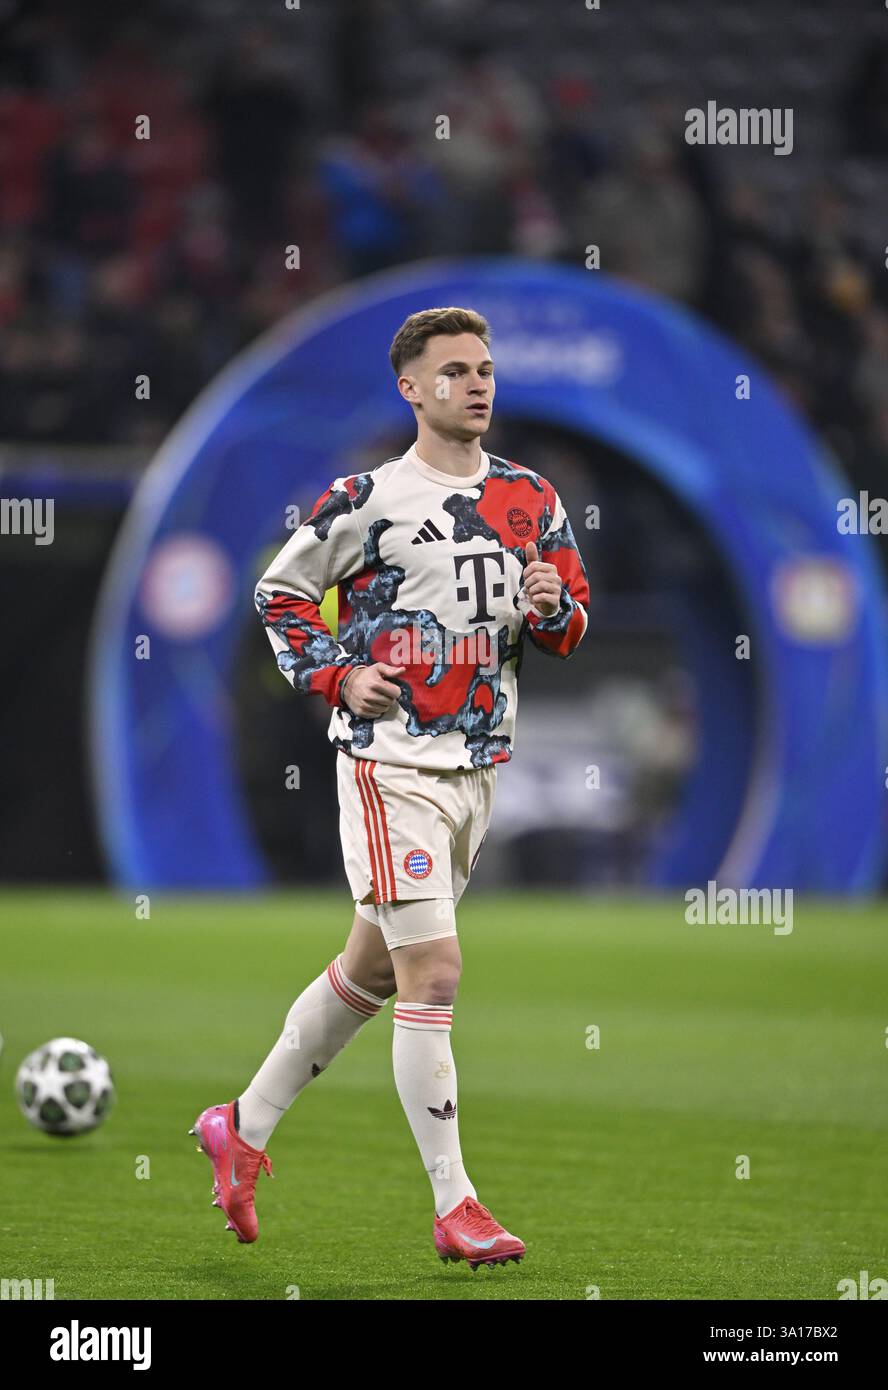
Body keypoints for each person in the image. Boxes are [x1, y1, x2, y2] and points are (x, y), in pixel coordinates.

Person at [190, 306, 590, 1270]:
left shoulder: (532, 498)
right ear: (410, 388)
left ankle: (240, 1126)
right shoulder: (366, 498)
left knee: (371, 970)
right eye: (454, 371)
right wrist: (336, 674)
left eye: (485, 368)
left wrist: (554, 605)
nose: (477, 383)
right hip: (388, 763)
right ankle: (457, 1206)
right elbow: (278, 592)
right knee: (435, 973)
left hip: (476, 767)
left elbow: (570, 628)